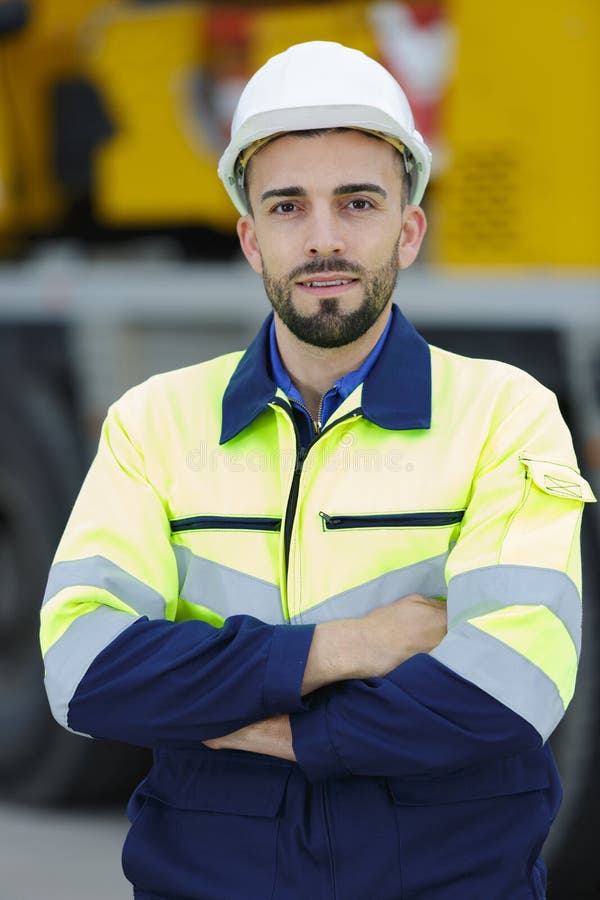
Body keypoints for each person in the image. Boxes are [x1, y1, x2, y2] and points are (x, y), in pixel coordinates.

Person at [40, 41, 595, 900]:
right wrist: (349, 647)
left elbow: (508, 690)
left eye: (358, 203)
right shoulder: (155, 422)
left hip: (448, 879)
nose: (325, 238)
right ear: (250, 238)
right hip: (208, 879)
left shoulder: (504, 414)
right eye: (289, 207)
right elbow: (85, 674)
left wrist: (258, 727)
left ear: (407, 232)